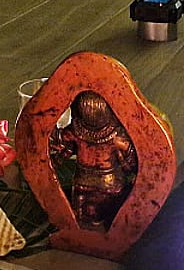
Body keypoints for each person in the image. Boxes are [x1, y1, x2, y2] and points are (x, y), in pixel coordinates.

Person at [49, 90, 137, 232]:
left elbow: (58, 138)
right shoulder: (116, 137)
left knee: (82, 215)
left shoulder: (77, 131)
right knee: (110, 214)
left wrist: (48, 115)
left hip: (84, 181)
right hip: (110, 182)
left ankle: (84, 230)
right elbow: (131, 156)